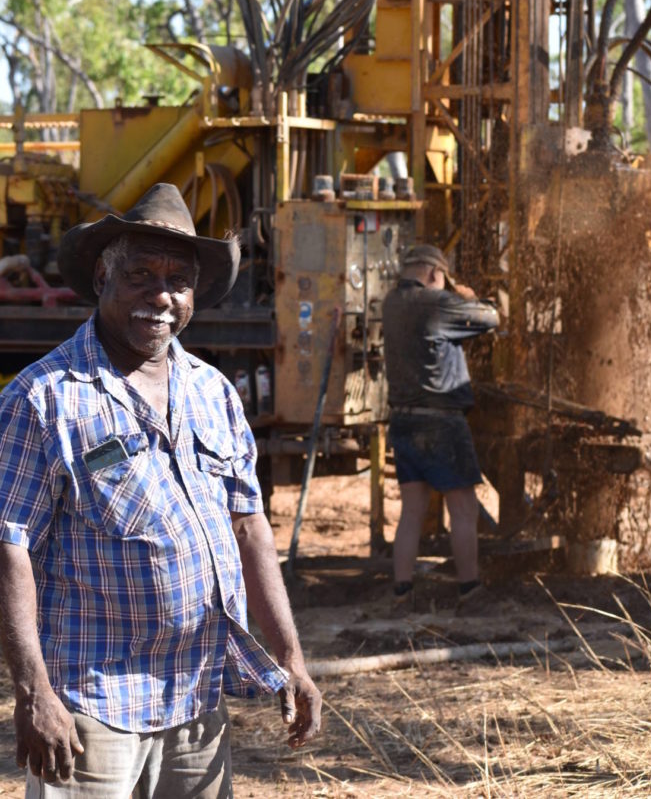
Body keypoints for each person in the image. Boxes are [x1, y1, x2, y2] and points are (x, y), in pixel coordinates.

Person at [0, 183, 321, 797]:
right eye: (140, 275)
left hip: (196, 696)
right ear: (102, 277)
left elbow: (249, 527)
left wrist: (292, 659)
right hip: (90, 706)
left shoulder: (213, 392)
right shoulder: (43, 400)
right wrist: (33, 693)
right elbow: (8, 546)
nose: (161, 297)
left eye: (178, 280)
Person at [381, 243, 500, 614]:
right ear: (434, 273)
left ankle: (402, 593)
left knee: (412, 510)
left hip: (403, 420)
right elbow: (491, 318)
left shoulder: (391, 303)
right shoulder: (435, 301)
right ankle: (470, 589)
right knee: (463, 506)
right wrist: (467, 295)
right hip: (441, 422)